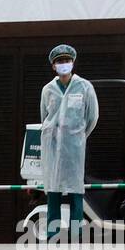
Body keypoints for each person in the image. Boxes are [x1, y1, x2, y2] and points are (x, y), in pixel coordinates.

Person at [40, 44, 99, 239]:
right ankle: (52, 235)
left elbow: (92, 117)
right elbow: (44, 117)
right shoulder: (47, 90)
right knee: (53, 191)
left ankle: (76, 235)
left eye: (66, 61)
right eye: (59, 62)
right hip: (52, 147)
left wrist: (78, 136)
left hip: (74, 148)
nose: (63, 64)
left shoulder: (84, 87)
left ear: (72, 63)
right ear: (53, 66)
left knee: (75, 191)